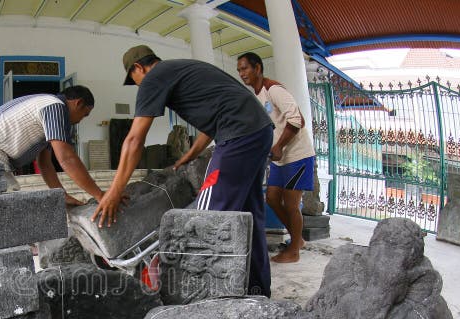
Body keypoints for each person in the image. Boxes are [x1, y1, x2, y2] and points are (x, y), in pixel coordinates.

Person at [93, 45, 273, 297]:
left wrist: (114, 191)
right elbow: (215, 116)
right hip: (258, 131)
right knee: (249, 216)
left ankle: (200, 296)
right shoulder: (181, 69)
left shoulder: (153, 78)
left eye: (133, 79)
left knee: (205, 219)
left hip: (238, 135)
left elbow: (134, 140)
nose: (136, 85)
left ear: (138, 68)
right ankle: (258, 292)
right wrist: (190, 154)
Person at [0, 85, 103, 205]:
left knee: (8, 209)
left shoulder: (50, 119)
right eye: (84, 114)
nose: (80, 120)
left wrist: (62, 195)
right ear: (78, 103)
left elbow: (45, 164)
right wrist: (100, 195)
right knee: (3, 212)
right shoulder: (54, 106)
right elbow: (66, 159)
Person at [237, 52, 316, 263]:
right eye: (239, 70)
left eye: (245, 68)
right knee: (271, 198)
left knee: (291, 204)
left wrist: (280, 145)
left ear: (258, 68)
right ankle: (297, 240)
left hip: (297, 155)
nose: (241, 73)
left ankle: (294, 251)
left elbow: (298, 119)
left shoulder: (273, 89)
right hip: (280, 158)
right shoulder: (258, 94)